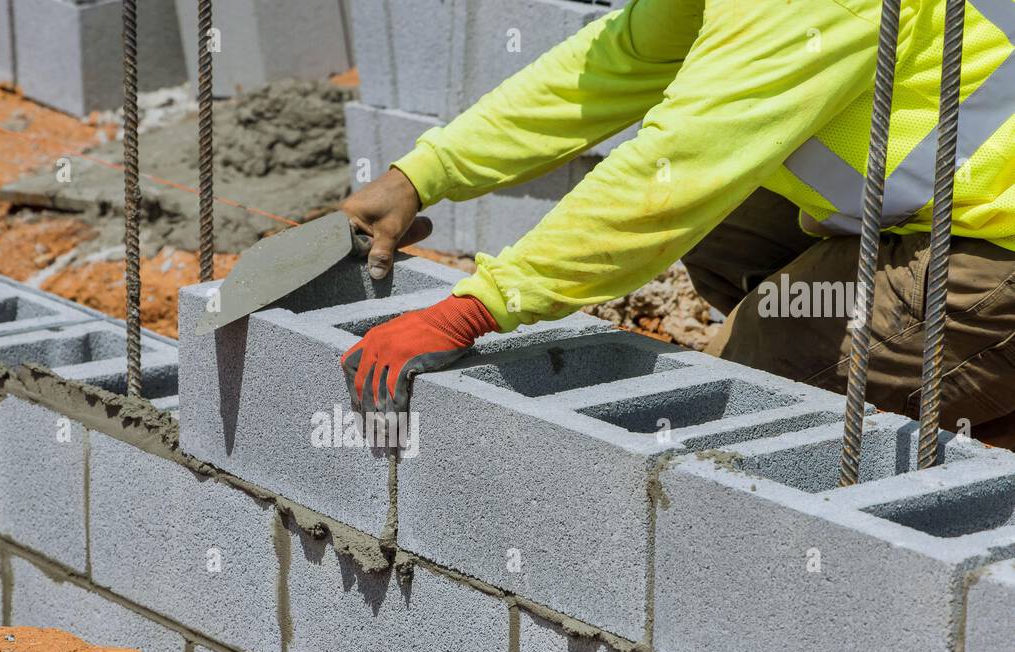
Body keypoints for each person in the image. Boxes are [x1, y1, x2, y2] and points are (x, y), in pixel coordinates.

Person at [340, 0, 1015, 446]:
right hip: (956, 203)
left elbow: (677, 167)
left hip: (996, 249)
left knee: (744, 391)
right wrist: (419, 176)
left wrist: (477, 307)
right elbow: (614, 64)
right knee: (729, 235)